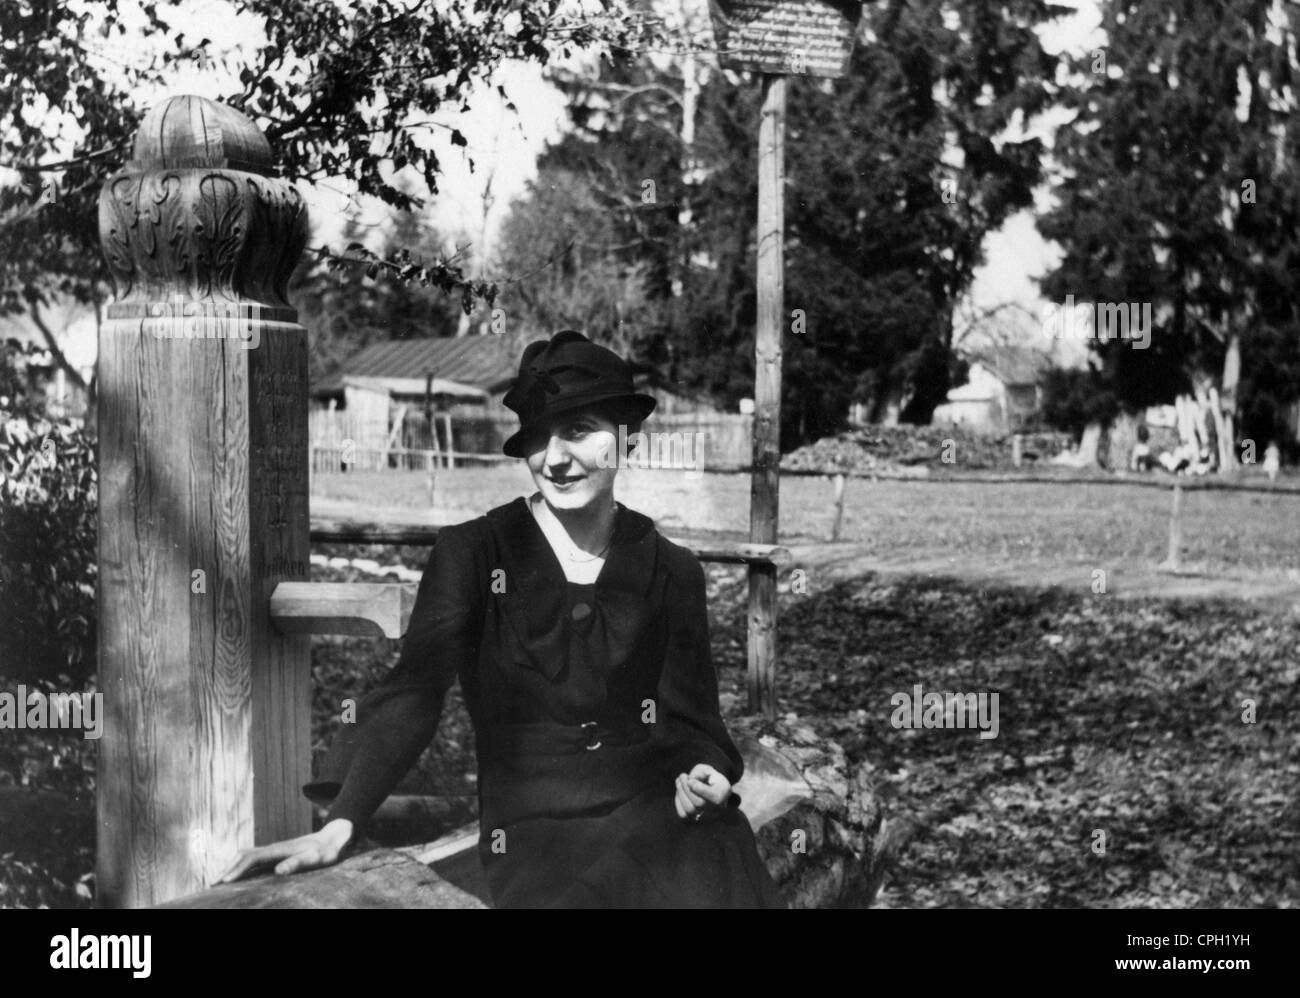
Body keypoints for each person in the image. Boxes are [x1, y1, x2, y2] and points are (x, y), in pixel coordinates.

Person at [219, 330, 783, 908]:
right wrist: (341, 821)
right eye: (538, 437)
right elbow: (414, 691)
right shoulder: (475, 552)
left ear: (627, 440)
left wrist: (704, 772)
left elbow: (690, 720)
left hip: (655, 805)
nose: (555, 459)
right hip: (536, 832)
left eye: (578, 431)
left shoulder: (671, 568)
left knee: (718, 860)